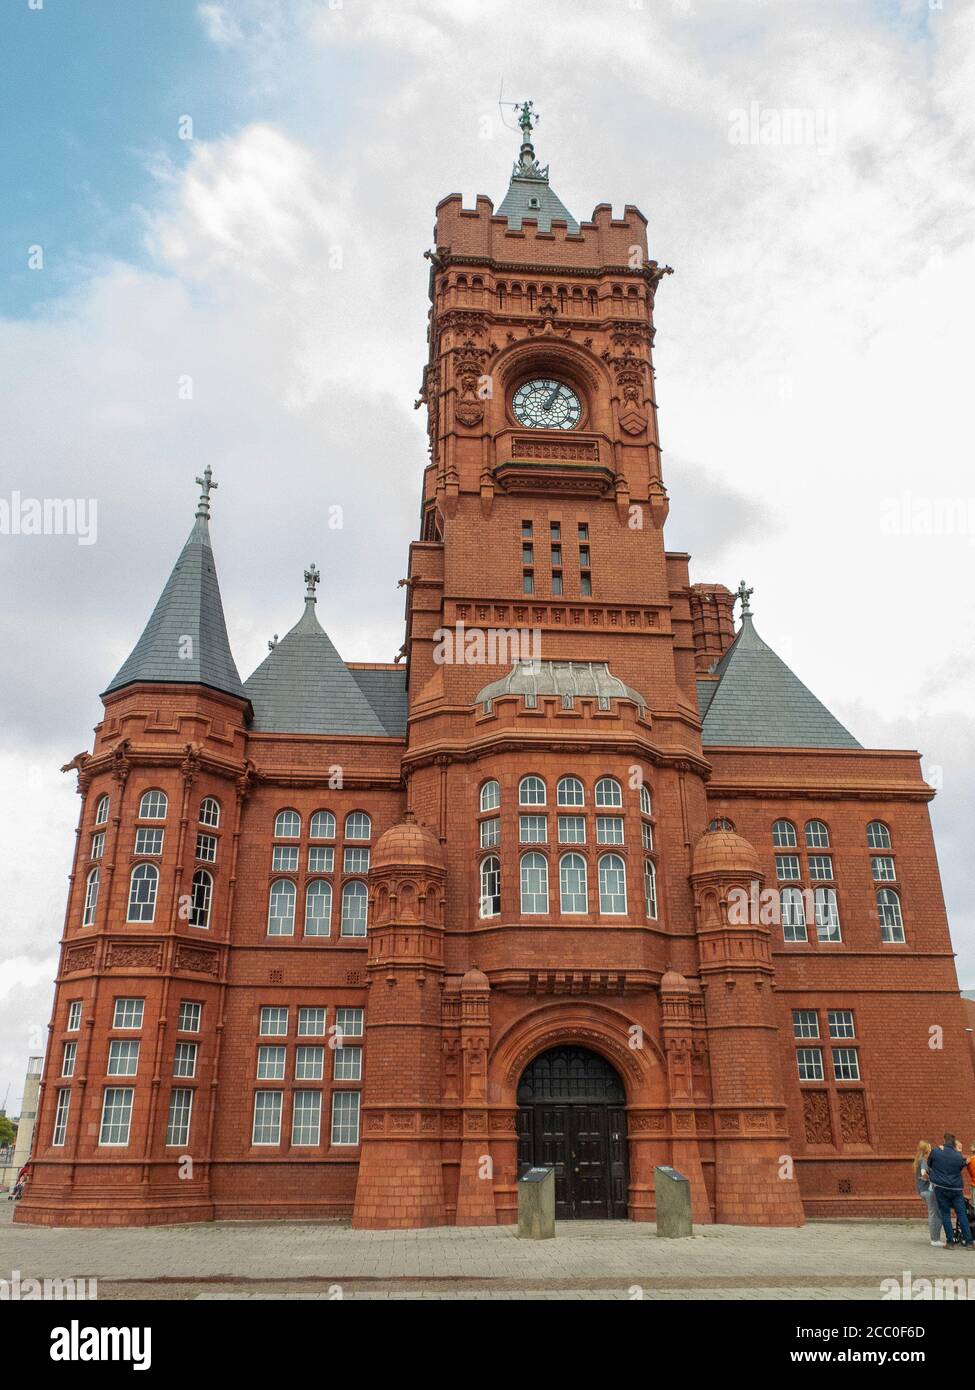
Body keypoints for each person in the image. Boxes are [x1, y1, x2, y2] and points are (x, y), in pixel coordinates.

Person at [926, 1133, 974, 1248]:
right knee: (961, 1214)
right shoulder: (958, 1156)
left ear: (944, 1140)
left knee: (945, 1214)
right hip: (956, 1188)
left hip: (941, 1188)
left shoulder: (936, 1151)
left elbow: (929, 1164)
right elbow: (961, 1166)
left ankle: (950, 1242)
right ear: (953, 1143)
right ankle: (969, 1242)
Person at [915, 1141, 943, 1246]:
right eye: (930, 1148)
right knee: (934, 1214)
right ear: (926, 1150)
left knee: (934, 1213)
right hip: (929, 1191)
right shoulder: (923, 1160)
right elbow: (923, 1173)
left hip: (923, 1190)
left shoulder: (919, 1160)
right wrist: (928, 1177)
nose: (931, 1149)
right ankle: (935, 1239)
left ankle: (935, 1239)